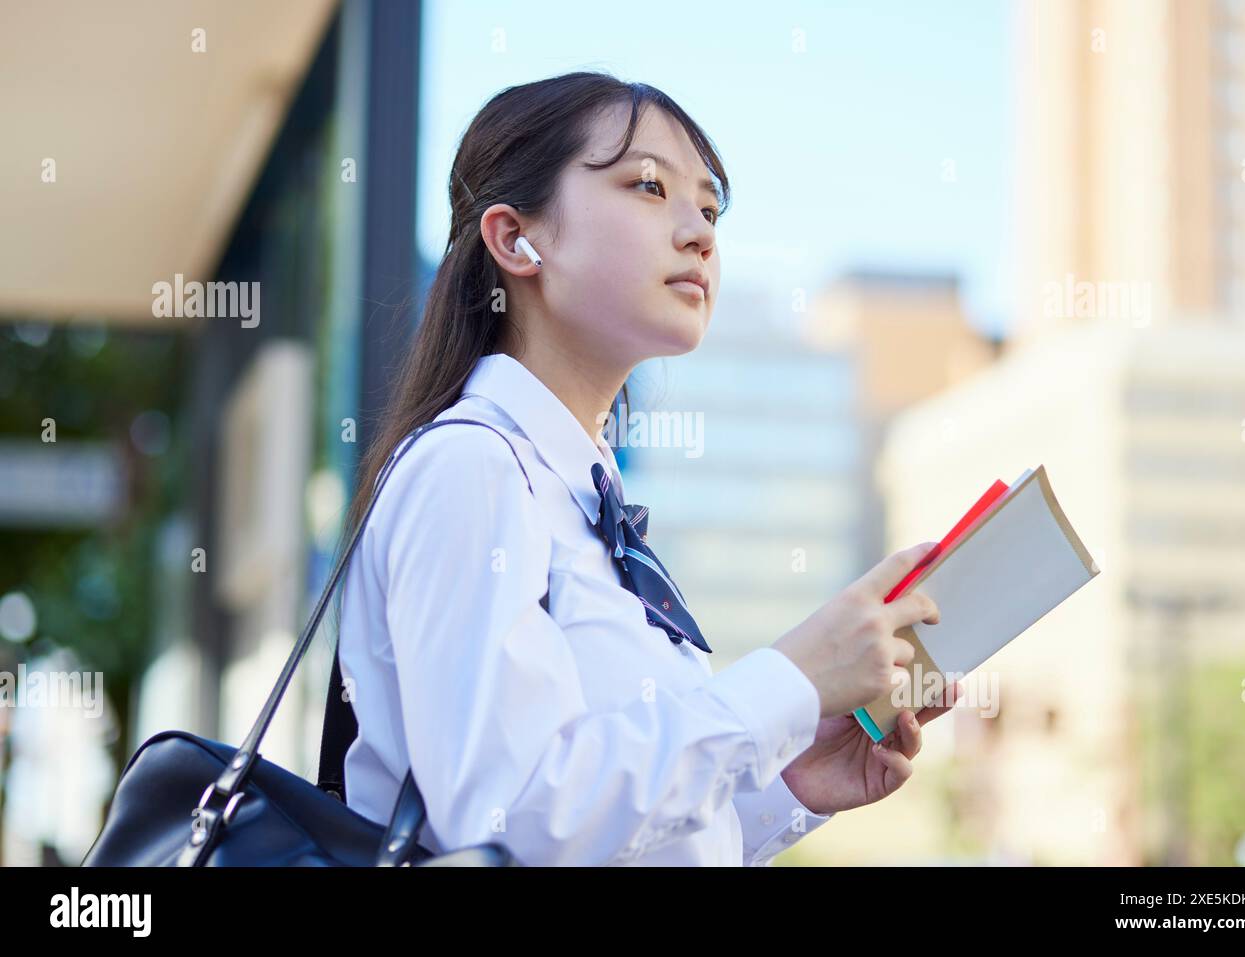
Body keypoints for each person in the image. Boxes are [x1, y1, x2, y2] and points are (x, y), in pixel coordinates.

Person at [336, 71, 956, 866]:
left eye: (709, 205)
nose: (699, 231)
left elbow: (606, 830)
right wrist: (789, 681)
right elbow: (509, 818)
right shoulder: (470, 466)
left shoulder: (587, 505)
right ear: (516, 238)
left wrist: (788, 784)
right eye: (649, 186)